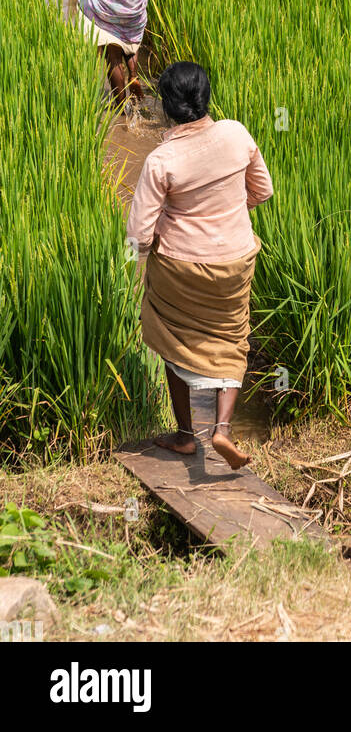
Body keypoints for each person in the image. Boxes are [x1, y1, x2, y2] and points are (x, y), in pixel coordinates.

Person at [127, 62, 274, 471]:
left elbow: (138, 236)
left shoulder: (162, 159)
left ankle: (186, 436)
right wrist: (223, 213)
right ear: (205, 97)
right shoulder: (236, 133)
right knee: (231, 337)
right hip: (235, 260)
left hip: (181, 269)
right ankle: (222, 429)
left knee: (172, 338)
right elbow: (262, 190)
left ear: (167, 108)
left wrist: (178, 226)